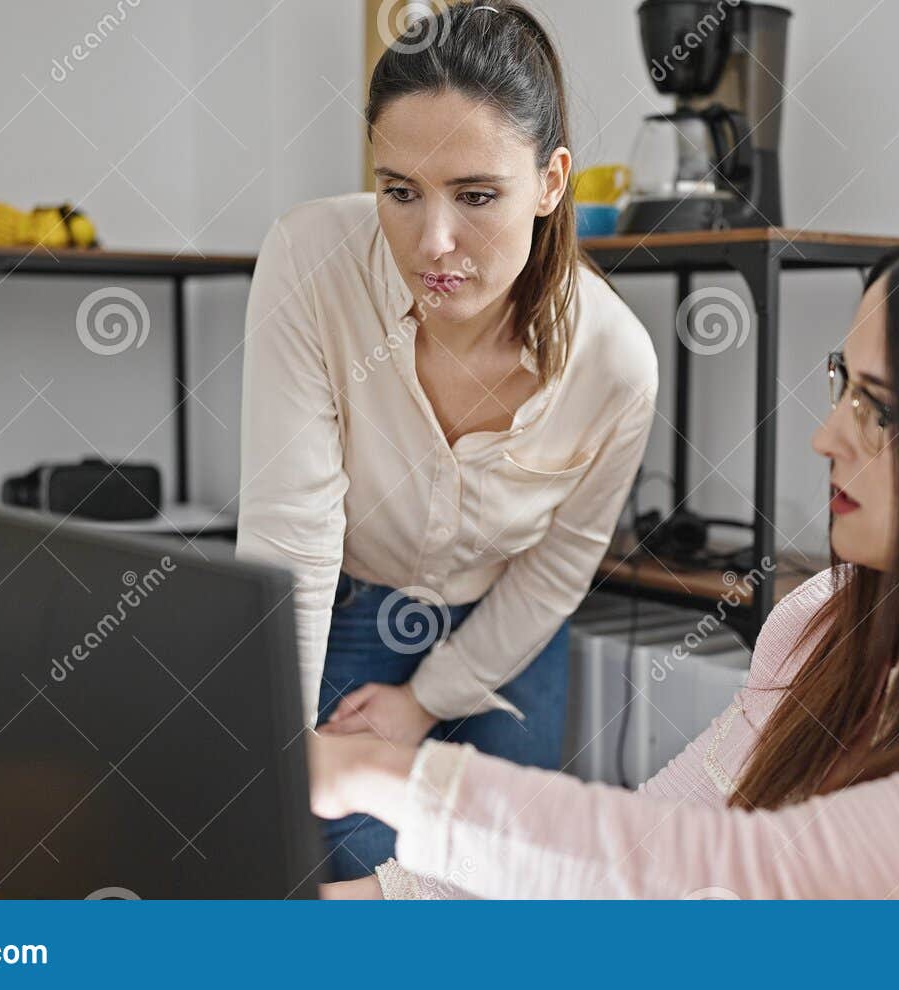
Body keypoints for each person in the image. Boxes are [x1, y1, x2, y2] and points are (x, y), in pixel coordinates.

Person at [309, 220, 899, 899]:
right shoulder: (829, 619)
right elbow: (645, 854)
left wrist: (382, 780)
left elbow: (762, 887)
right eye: (841, 387)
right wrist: (362, 912)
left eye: (879, 409)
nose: (825, 438)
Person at [235, 0, 657, 880]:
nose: (433, 243)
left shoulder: (616, 365)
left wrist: (426, 701)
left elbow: (557, 569)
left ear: (550, 182)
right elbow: (292, 534)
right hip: (350, 609)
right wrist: (276, 750)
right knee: (338, 867)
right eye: (400, 191)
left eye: (476, 196)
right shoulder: (309, 261)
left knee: (503, 880)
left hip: (511, 625)